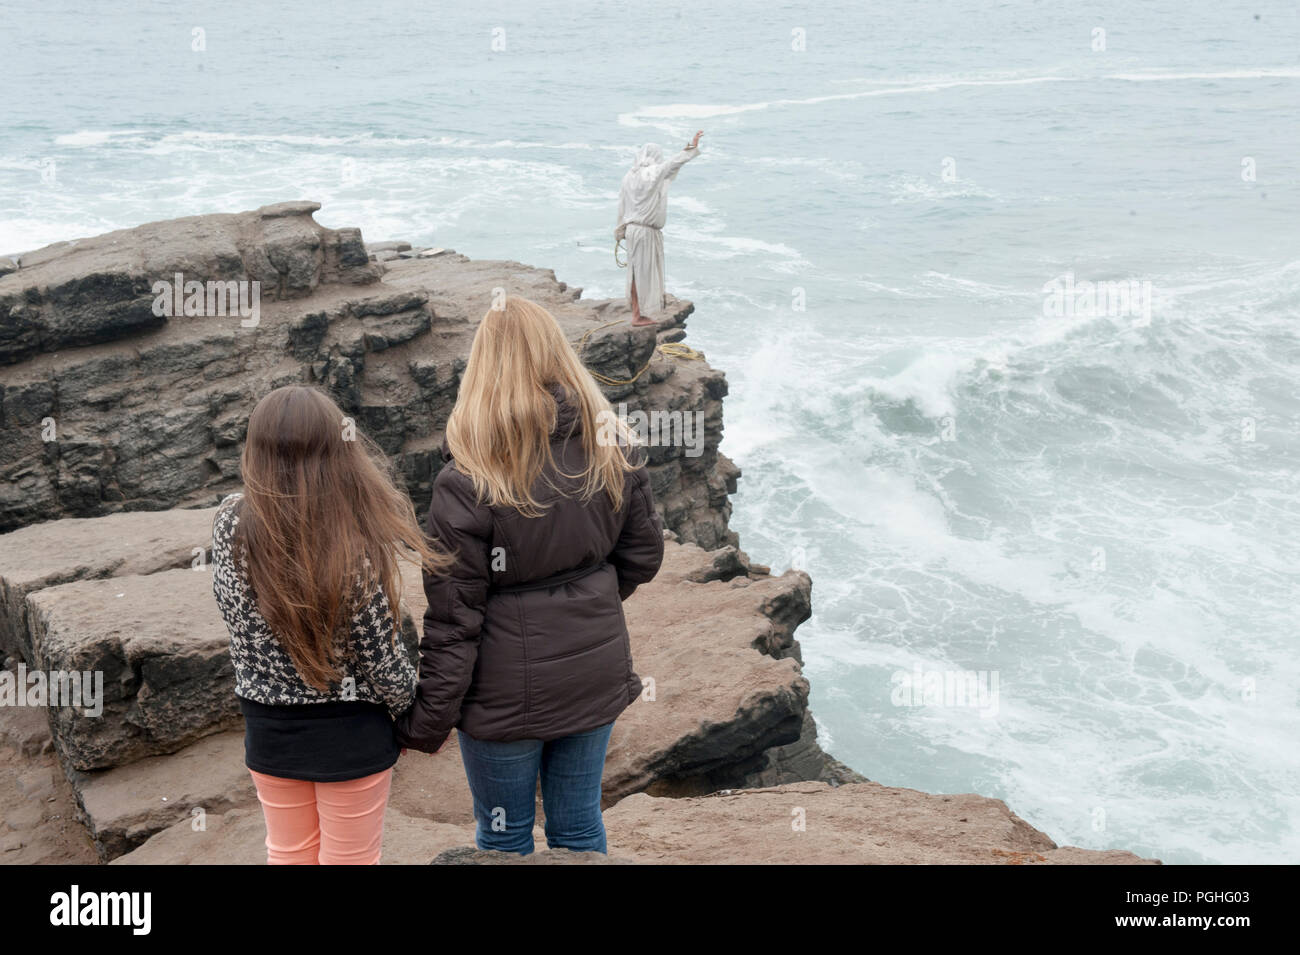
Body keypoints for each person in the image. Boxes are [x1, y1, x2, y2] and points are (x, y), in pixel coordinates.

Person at [396, 295, 665, 855]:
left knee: (503, 838)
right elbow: (643, 558)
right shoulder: (610, 446)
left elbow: (453, 619)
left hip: (503, 696)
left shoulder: (467, 477)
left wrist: (425, 722)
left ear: (482, 368)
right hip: (594, 672)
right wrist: (583, 594)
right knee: (580, 827)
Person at [211, 385, 450, 865]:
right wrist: (410, 715)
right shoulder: (350, 535)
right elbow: (380, 660)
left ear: (255, 450)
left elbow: (234, 613)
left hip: (269, 726)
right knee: (352, 860)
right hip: (350, 733)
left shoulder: (229, 521)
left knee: (288, 853)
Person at [616, 129, 703, 326]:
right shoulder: (651, 173)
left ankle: (638, 312)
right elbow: (672, 165)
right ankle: (638, 316)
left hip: (632, 229)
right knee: (644, 273)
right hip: (645, 231)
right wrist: (691, 148)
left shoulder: (629, 176)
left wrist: (620, 229)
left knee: (635, 272)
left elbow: (622, 203)